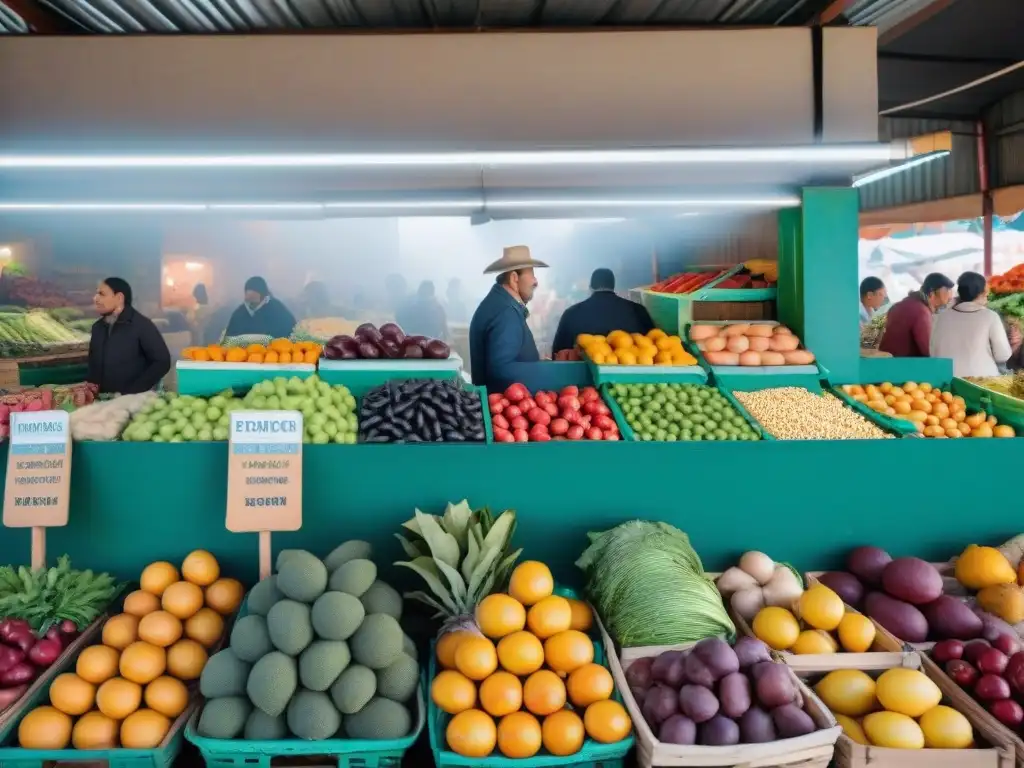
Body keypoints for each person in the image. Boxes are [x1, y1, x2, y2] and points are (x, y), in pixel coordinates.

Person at [469, 245, 548, 391]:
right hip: (502, 407)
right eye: (531, 274)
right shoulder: (506, 312)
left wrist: (533, 361)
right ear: (514, 278)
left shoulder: (500, 303)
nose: (535, 281)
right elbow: (501, 369)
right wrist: (543, 370)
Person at [87, 277, 171, 395]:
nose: (95, 298)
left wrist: (133, 392)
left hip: (134, 401)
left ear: (119, 298)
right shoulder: (98, 328)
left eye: (101, 294)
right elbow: (93, 362)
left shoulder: (142, 325)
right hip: (102, 401)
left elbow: (162, 362)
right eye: (96, 294)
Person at [551, 268, 654, 354]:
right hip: (632, 375)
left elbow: (557, 353)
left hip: (583, 376)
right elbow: (655, 345)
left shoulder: (571, 314)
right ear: (613, 287)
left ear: (590, 288)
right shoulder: (639, 311)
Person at [930, 272, 1011, 377]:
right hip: (982, 382)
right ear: (981, 294)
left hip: (944, 379)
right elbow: (1003, 355)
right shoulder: (990, 316)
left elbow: (932, 353)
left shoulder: (938, 318)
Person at [878, 273, 954, 358]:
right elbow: (930, 352)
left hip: (887, 365)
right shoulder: (922, 312)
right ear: (932, 295)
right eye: (942, 304)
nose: (943, 308)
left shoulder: (901, 305)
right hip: (902, 368)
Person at [224, 276, 296, 339]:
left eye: (254, 297)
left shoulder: (277, 309)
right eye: (248, 298)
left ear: (263, 295)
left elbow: (291, 330)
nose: (250, 303)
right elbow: (229, 337)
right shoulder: (240, 313)